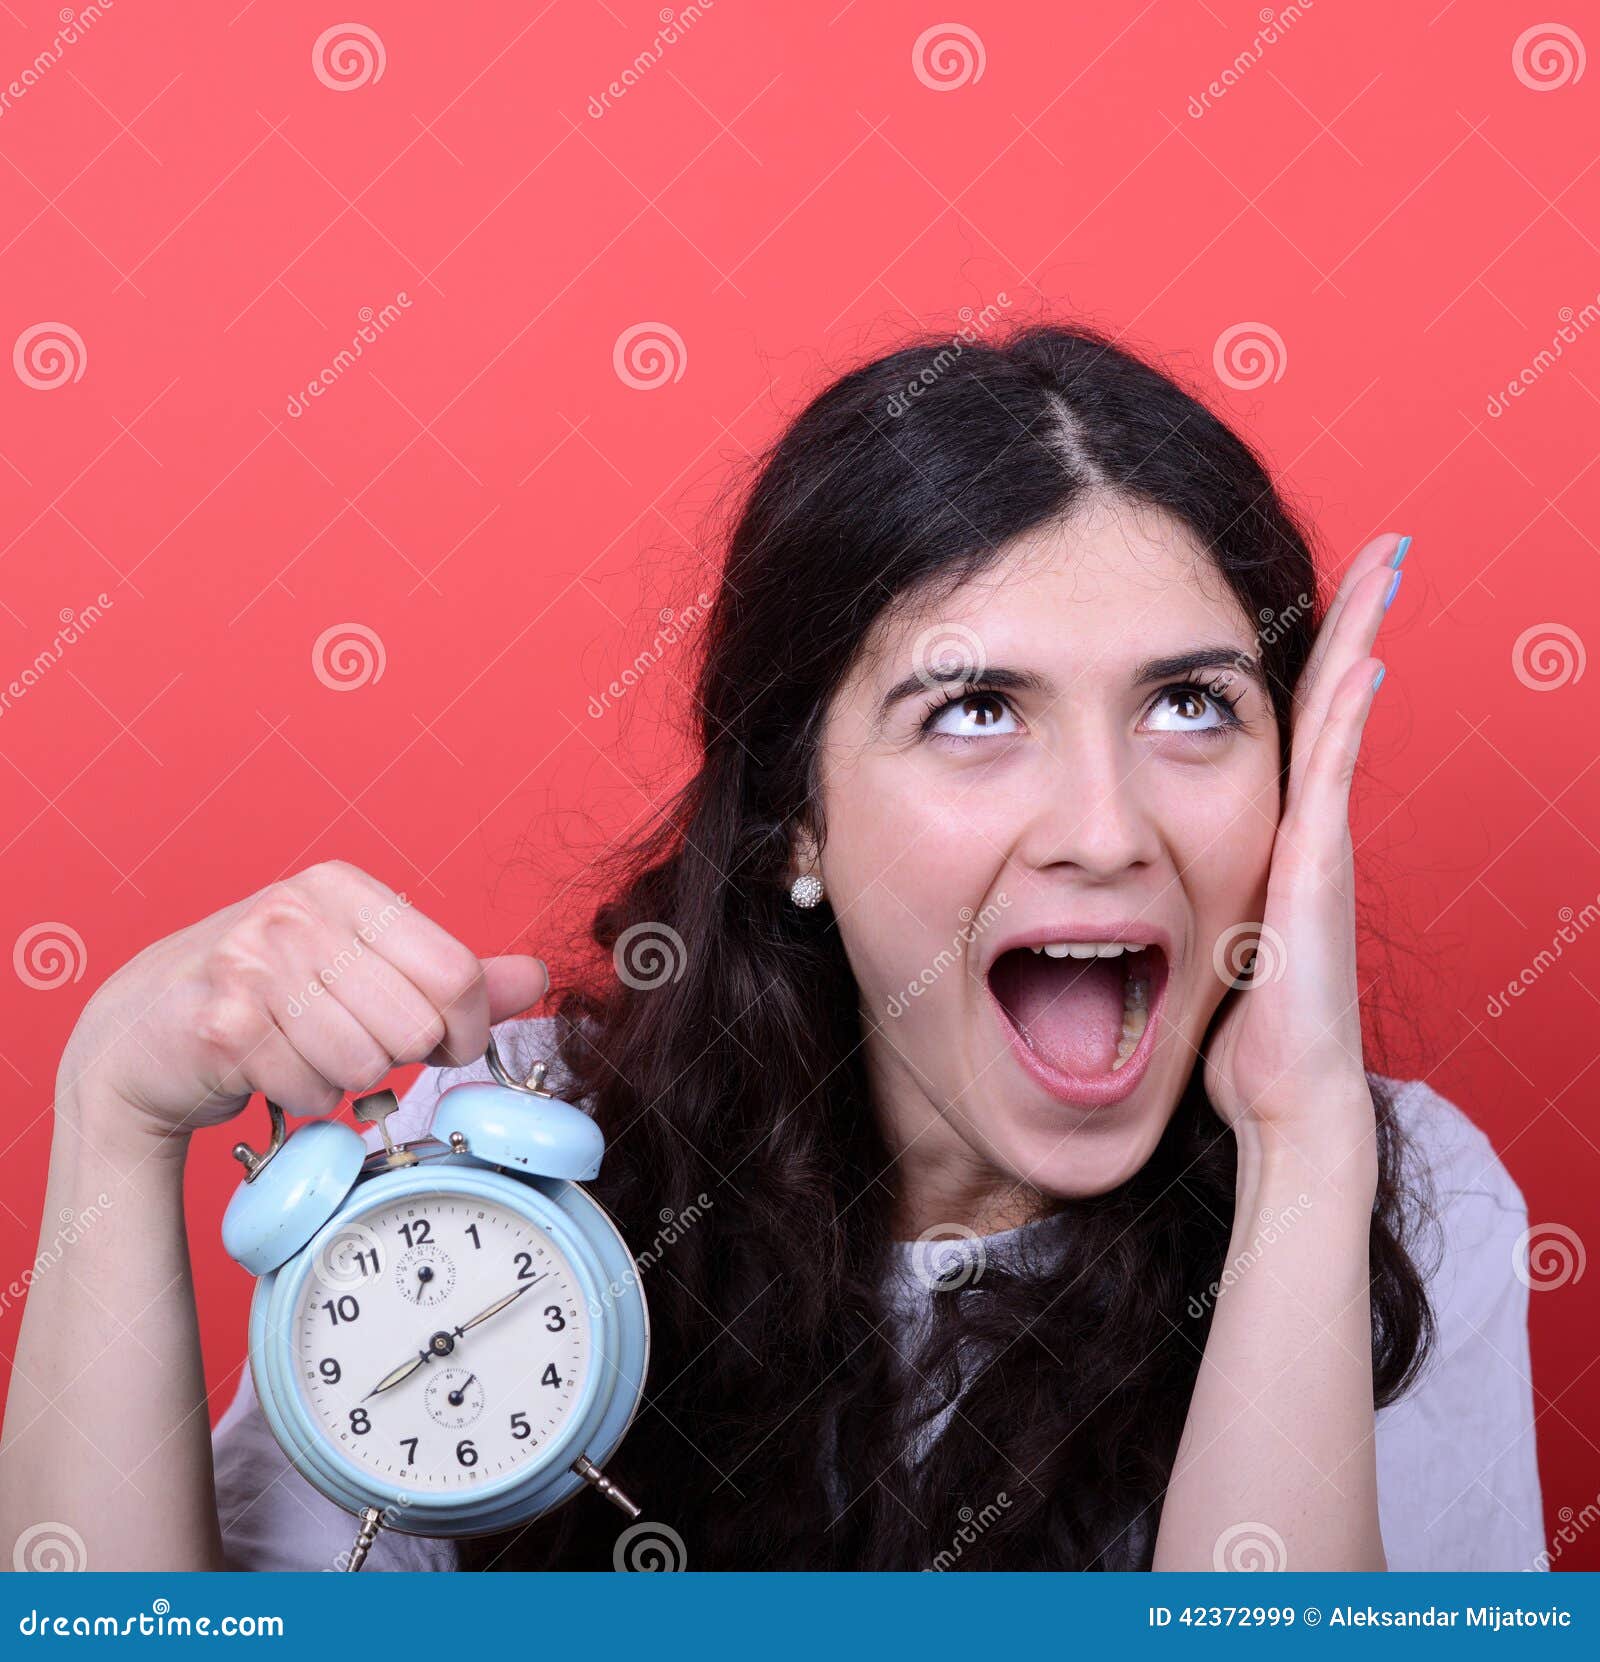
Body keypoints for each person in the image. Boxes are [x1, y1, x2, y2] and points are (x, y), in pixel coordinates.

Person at [0, 321, 1544, 1572]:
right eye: (976, 710)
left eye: (1192, 703)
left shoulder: (1393, 1193)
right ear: (798, 815)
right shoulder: (505, 1181)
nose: (1105, 827)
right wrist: (111, 1106)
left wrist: (1302, 1146)